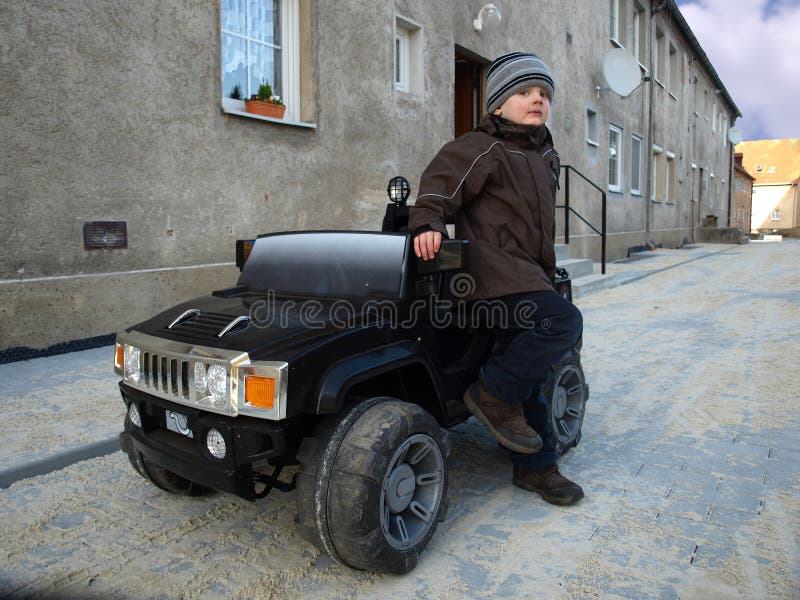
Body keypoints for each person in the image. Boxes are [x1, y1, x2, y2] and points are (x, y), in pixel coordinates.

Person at [408, 51, 584, 505]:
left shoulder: (545, 155)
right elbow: (437, 185)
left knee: (531, 370)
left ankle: (537, 467)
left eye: (543, 93)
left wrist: (546, 273)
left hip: (527, 275)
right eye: (524, 92)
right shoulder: (483, 146)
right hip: (489, 277)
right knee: (564, 323)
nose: (537, 99)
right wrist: (427, 223)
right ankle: (490, 393)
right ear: (498, 105)